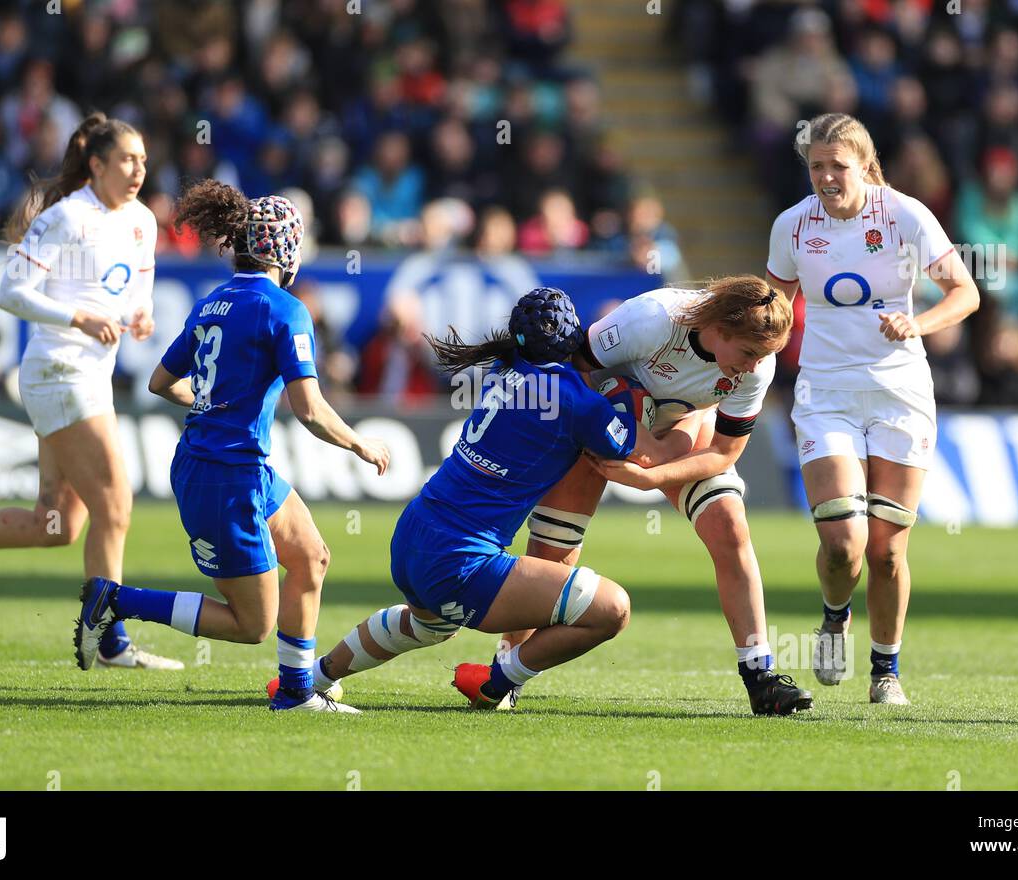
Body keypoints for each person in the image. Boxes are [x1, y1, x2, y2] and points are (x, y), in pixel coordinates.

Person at [74, 182, 390, 713]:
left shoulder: (211, 303)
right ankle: (115, 601)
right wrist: (360, 444)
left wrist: (211, 404)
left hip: (231, 466)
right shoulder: (285, 309)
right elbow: (309, 410)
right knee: (252, 625)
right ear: (288, 251)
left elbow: (160, 381)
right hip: (227, 476)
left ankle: (295, 694)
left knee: (311, 557)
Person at [0, 113, 183, 671]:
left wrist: (139, 317)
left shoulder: (144, 221)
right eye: (127, 159)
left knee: (57, 523)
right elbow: (12, 293)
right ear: (96, 164)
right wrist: (77, 317)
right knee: (115, 506)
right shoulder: (67, 217)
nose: (139, 168)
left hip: (89, 374)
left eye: (144, 159)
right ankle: (108, 640)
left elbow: (132, 296)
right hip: (58, 370)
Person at [278, 288, 659, 710]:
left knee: (427, 625)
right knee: (611, 610)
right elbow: (645, 452)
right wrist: (637, 401)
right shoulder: (577, 402)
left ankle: (311, 678)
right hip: (460, 558)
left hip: (414, 532)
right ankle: (496, 683)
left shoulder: (503, 366)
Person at [473, 276, 816, 716]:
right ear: (718, 328)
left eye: (762, 356)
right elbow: (574, 367)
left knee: (731, 529)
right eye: (749, 354)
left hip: (682, 431)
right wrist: (619, 433)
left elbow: (726, 450)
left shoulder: (756, 364)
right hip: (595, 428)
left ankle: (760, 677)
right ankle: (504, 671)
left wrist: (657, 470)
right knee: (550, 561)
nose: (754, 368)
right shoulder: (652, 319)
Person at [765, 112, 979, 704]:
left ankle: (886, 671)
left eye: (838, 166)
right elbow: (775, 312)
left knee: (886, 551)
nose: (827, 177)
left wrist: (917, 323)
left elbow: (966, 292)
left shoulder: (905, 215)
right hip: (825, 392)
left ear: (864, 164)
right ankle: (835, 618)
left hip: (900, 393)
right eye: (816, 167)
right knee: (843, 543)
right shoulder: (791, 225)